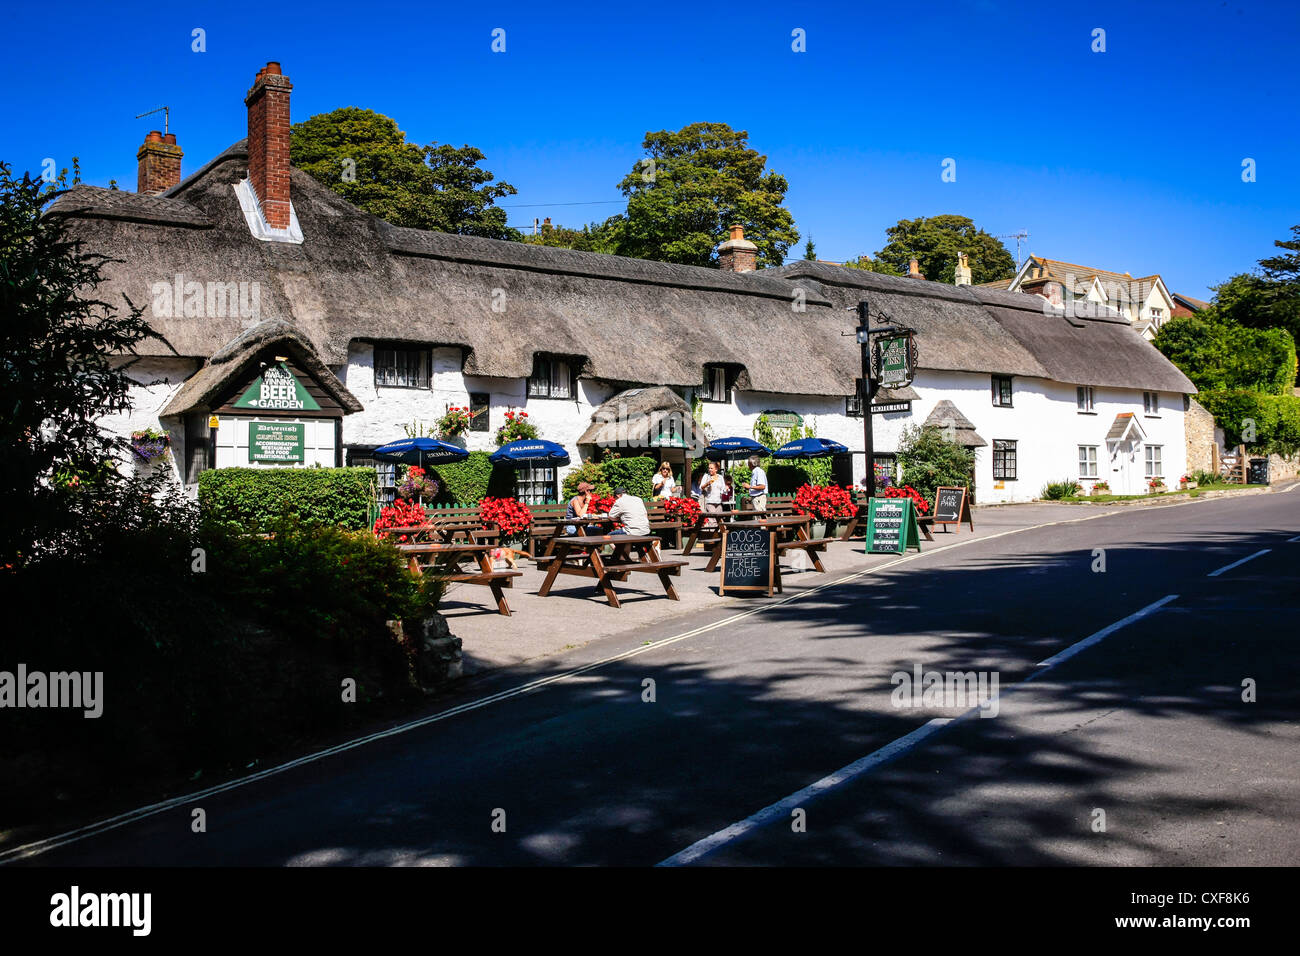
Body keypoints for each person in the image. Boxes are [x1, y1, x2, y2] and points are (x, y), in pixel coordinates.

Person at [699, 460, 724, 526]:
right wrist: (707, 483)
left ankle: (720, 535)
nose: (709, 470)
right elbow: (701, 487)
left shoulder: (720, 477)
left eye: (711, 468)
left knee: (720, 521)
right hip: (710, 501)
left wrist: (725, 491)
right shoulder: (706, 476)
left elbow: (723, 488)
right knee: (712, 521)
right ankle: (712, 535)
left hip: (718, 502)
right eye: (709, 468)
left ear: (716, 469)